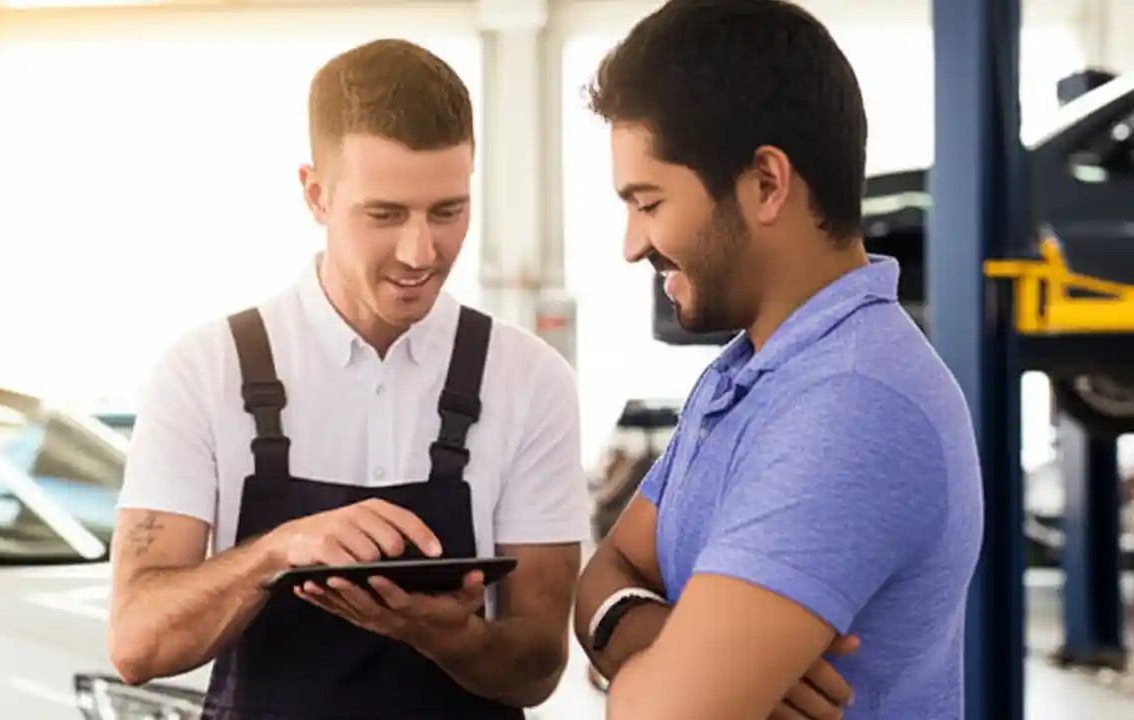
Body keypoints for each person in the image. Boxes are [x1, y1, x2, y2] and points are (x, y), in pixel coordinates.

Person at [106, 39, 590, 719]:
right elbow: (137, 643)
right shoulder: (204, 371)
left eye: (447, 211)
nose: (421, 253)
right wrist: (277, 552)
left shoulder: (530, 379)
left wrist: (447, 636)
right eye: (385, 214)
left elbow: (538, 665)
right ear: (315, 194)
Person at [572, 1, 985, 719]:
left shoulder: (853, 404)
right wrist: (668, 640)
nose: (632, 244)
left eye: (649, 201)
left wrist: (653, 670)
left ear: (767, 183)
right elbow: (608, 572)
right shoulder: (746, 374)